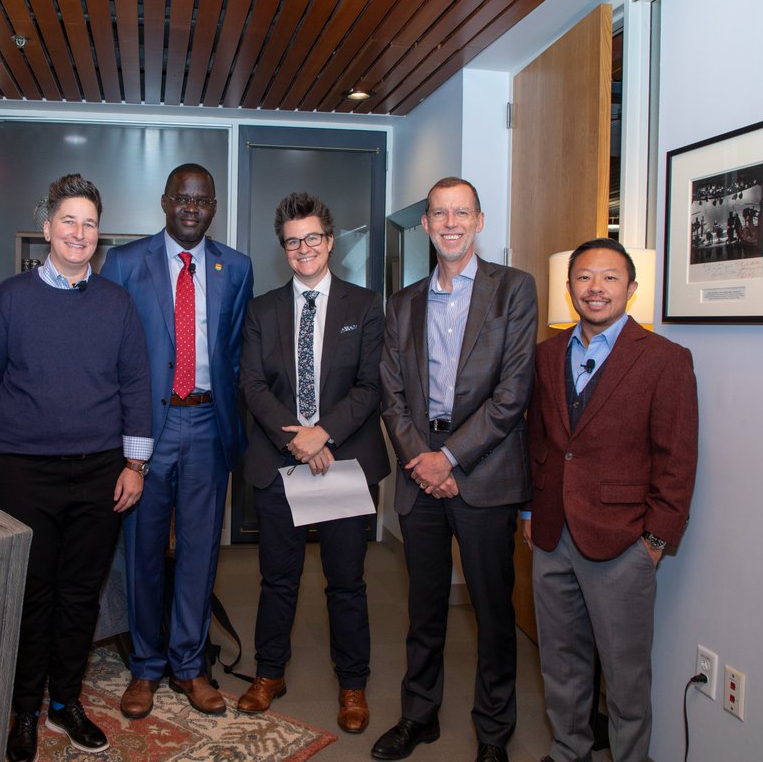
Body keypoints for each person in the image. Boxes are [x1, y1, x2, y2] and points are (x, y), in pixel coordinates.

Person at [0, 173, 153, 759]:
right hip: (23, 472)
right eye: (68, 220)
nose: (79, 232)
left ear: (100, 234)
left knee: (80, 596)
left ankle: (66, 704)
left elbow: (135, 385)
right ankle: (24, 710)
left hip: (100, 473)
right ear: (46, 228)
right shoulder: (10, 298)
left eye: (89, 223)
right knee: (33, 595)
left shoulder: (117, 304)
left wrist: (136, 465)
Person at [374, 177, 537, 762]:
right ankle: (419, 716)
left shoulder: (514, 289)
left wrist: (449, 458)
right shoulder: (403, 303)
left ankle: (493, 732)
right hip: (420, 466)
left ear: (479, 221)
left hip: (484, 469)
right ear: (424, 224)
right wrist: (423, 459)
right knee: (424, 608)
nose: (450, 223)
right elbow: (391, 394)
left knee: (494, 613)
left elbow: (513, 394)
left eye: (461, 212)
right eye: (439, 213)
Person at [523, 237, 698, 762]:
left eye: (609, 278)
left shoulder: (665, 360)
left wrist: (655, 541)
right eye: (584, 277)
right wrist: (530, 510)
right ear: (570, 287)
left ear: (631, 288)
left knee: (625, 676)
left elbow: (677, 458)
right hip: (552, 534)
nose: (595, 288)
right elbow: (538, 441)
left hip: (623, 543)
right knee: (561, 664)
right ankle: (568, 750)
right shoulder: (546, 354)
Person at [99, 163, 253, 719]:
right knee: (141, 549)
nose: (192, 208)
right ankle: (145, 666)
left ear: (214, 207)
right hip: (147, 431)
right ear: (165, 202)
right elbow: (111, 353)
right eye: (183, 198)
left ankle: (189, 664)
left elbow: (235, 353)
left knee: (200, 549)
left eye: (203, 200)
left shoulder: (236, 266)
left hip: (209, 424)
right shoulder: (124, 262)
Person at [235, 193, 389, 733]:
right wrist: (299, 440)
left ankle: (352, 683)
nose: (303, 248)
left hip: (342, 462)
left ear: (330, 240)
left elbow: (370, 385)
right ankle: (268, 673)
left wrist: (323, 434)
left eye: (313, 238)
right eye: (292, 241)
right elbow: (252, 385)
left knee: (346, 580)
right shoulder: (261, 310)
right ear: (283, 248)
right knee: (278, 579)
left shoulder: (364, 306)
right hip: (281, 462)